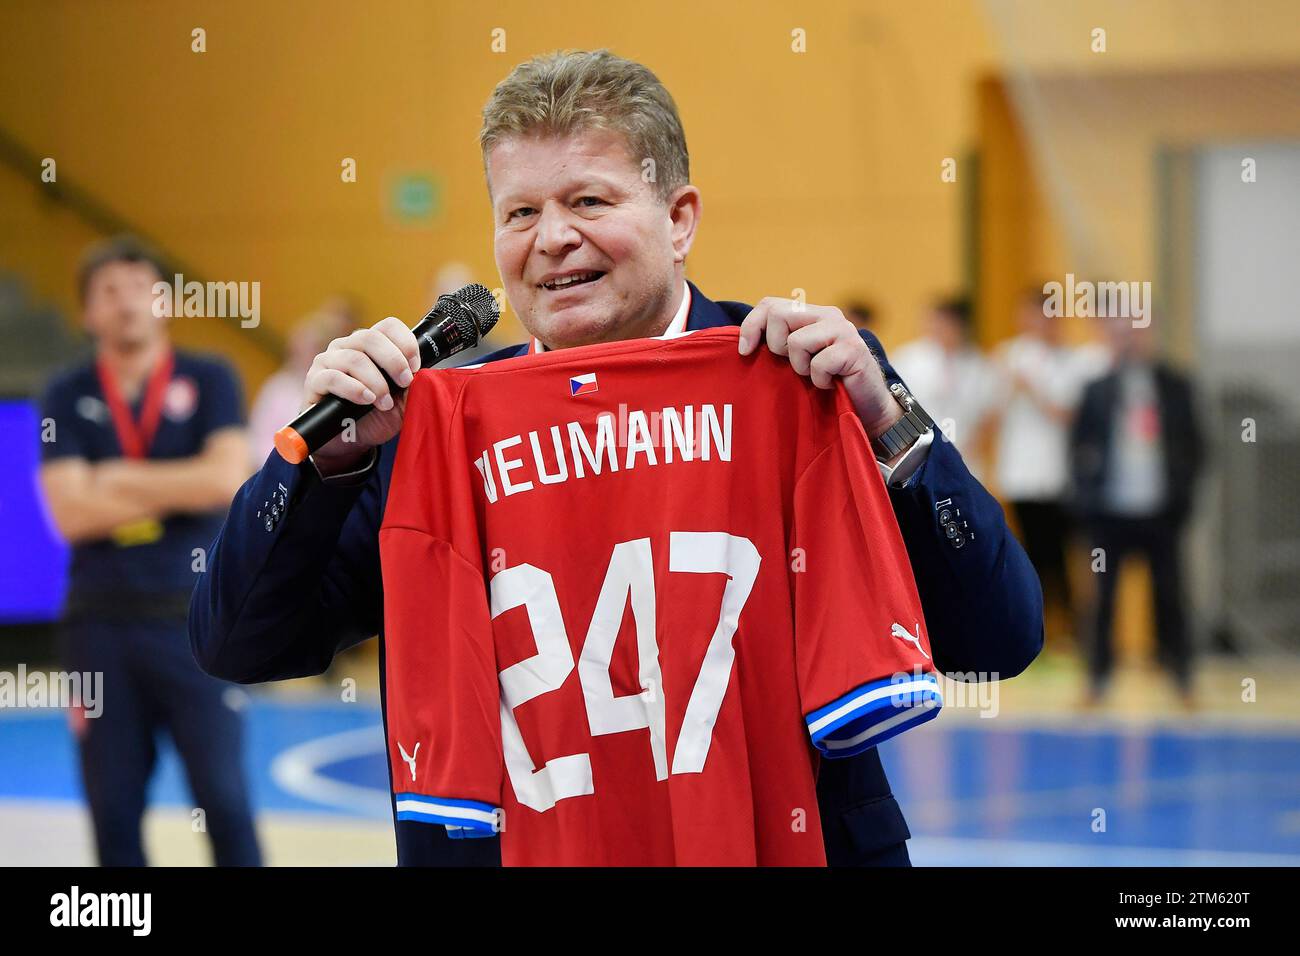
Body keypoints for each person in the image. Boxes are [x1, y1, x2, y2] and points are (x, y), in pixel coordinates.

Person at [191, 49, 1043, 866]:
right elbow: (238, 644)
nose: (552, 238)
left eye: (589, 202)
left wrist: (884, 424)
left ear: (679, 220)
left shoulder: (799, 378)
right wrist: (322, 466)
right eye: (520, 213)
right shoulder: (431, 429)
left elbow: (997, 636)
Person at [38, 236, 261, 866]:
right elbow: (71, 513)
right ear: (88, 313)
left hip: (199, 624)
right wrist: (175, 483)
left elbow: (224, 479)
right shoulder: (65, 392)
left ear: (165, 302)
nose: (128, 302)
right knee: (112, 809)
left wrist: (114, 479)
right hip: (98, 628)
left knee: (224, 797)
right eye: (109, 291)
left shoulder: (210, 376)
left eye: (141, 287)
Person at [1068, 314, 1204, 708]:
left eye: (1138, 333)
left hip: (1161, 514)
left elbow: (1195, 446)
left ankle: (1181, 676)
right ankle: (1097, 679)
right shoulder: (1098, 389)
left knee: (1171, 596)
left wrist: (1182, 497)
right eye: (1122, 335)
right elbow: (1078, 448)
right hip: (1109, 516)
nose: (1131, 342)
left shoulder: (1174, 386)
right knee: (1102, 599)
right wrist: (1086, 499)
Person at [992, 287, 1109, 649]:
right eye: (1036, 314)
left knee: (1065, 561)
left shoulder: (1071, 361)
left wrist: (1035, 391)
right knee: (1030, 561)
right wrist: (1011, 389)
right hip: (1020, 477)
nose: (1043, 322)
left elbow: (1072, 417)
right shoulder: (1007, 356)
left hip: (1061, 478)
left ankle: (1073, 637)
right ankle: (1034, 638)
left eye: (1050, 314)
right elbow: (990, 417)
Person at [891, 296, 1000, 478]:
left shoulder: (979, 365)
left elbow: (989, 416)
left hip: (965, 457)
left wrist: (969, 450)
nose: (938, 328)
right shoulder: (908, 359)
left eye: (946, 323)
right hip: (916, 456)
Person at [247, 300, 356, 466]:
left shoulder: (333, 390)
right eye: (299, 347)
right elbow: (256, 436)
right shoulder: (279, 385)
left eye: (310, 347)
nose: (300, 353)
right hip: (269, 466)